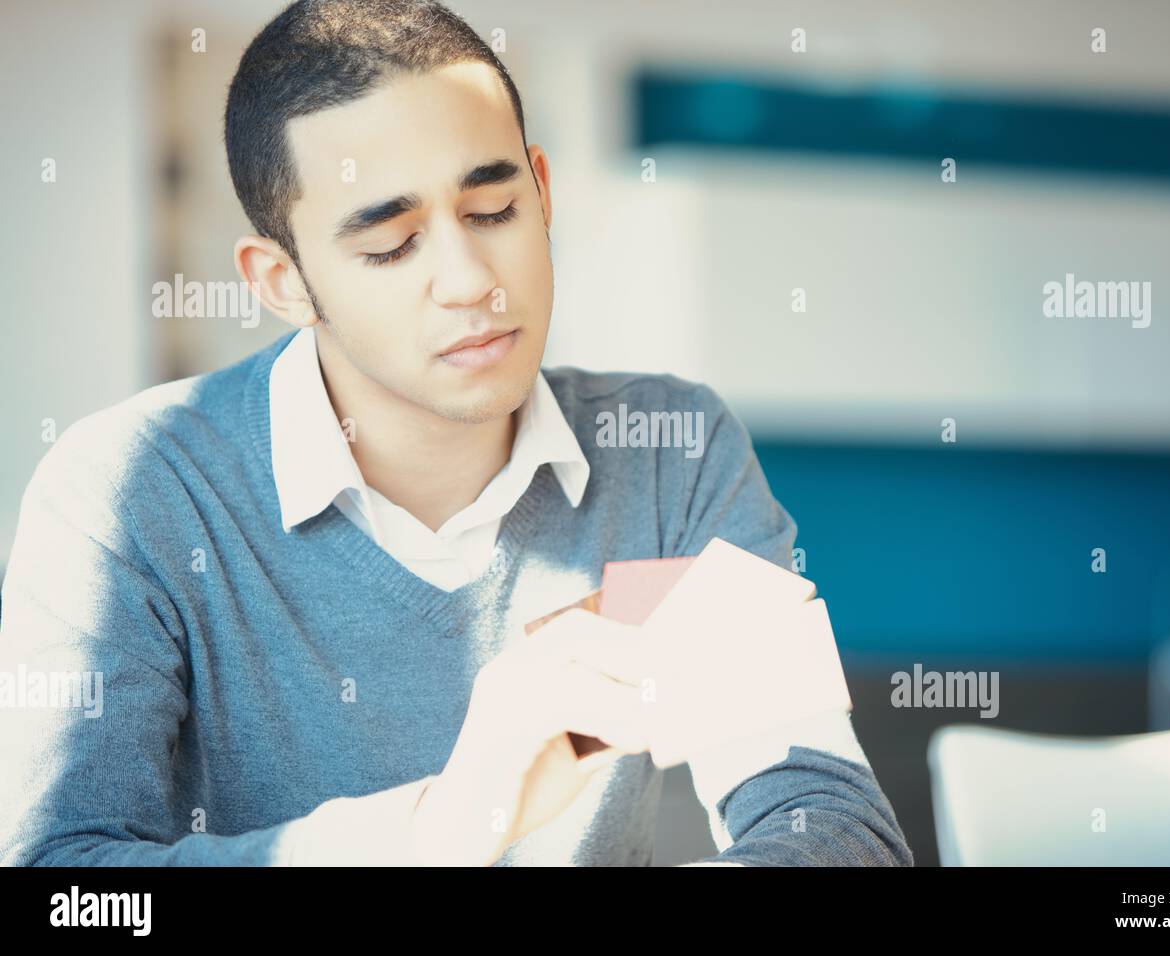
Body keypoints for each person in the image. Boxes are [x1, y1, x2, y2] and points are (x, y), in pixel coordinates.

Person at [0, 0, 911, 866]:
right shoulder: (126, 491)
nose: (471, 279)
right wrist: (442, 830)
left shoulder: (671, 451)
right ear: (282, 281)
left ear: (543, 192)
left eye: (492, 211)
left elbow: (829, 822)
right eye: (391, 244)